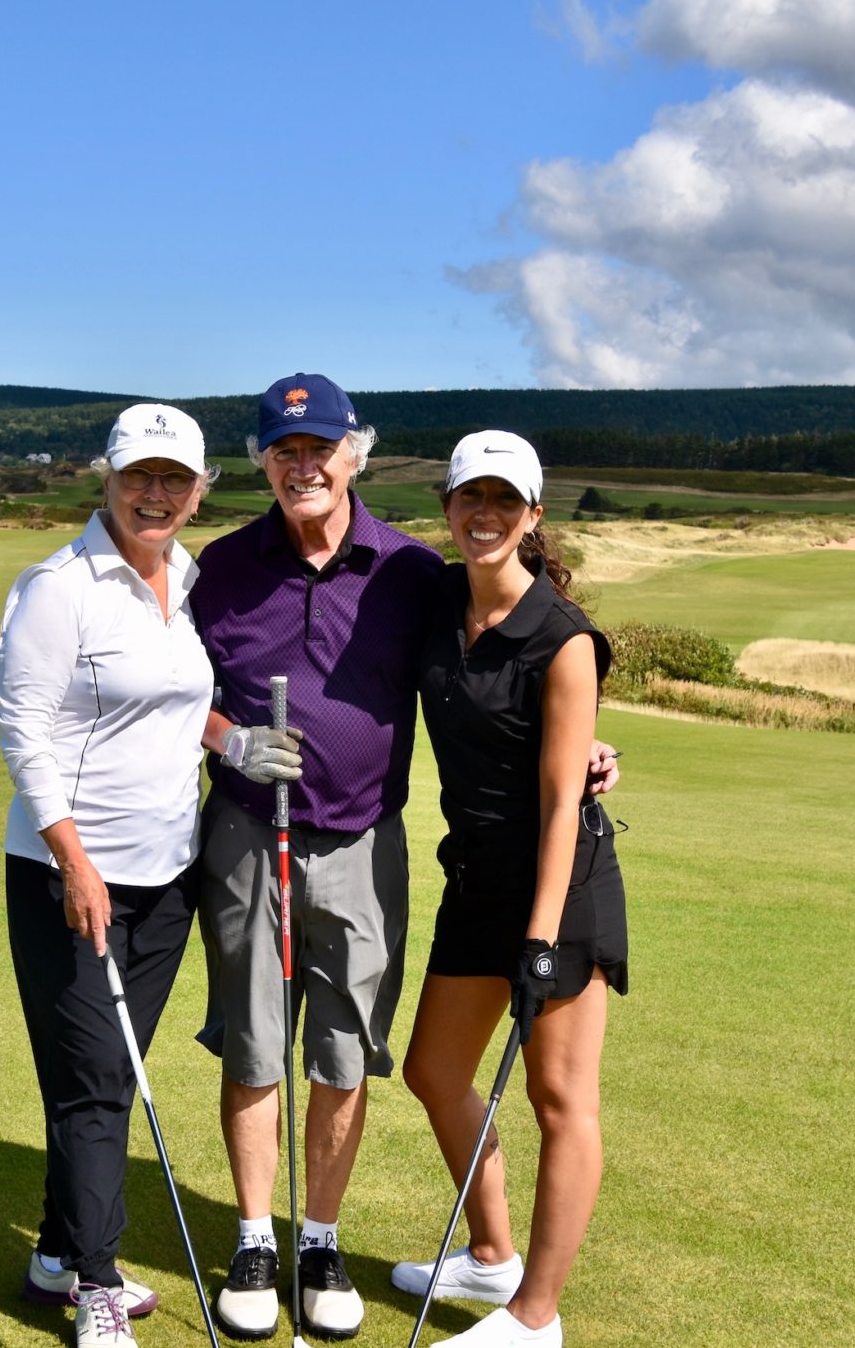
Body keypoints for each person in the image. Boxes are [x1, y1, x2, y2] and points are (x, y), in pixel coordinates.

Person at [189, 376, 618, 1342]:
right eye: (283, 450)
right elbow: (179, 690)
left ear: (356, 455)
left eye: (321, 449)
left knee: (346, 1054)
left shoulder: (408, 573)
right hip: (254, 837)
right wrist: (227, 740)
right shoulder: (218, 568)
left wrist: (587, 747)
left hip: (367, 844)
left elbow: (537, 667)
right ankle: (259, 1239)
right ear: (263, 459)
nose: (303, 466)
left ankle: (321, 1242)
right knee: (261, 1044)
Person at [0, 402, 265, 1348]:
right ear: (104, 478)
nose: (156, 494)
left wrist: (238, 743)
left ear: (198, 493)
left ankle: (55, 1255)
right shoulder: (57, 587)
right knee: (96, 1081)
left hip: (169, 874)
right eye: (139, 476)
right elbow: (24, 735)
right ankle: (99, 1282)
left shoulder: (184, 580)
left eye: (175, 480)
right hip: (71, 877)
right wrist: (74, 859)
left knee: (106, 1074)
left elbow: (177, 704)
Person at [390, 431, 628, 1348]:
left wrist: (538, 941)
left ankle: (535, 1317)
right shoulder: (441, 596)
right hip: (475, 877)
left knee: (560, 1098)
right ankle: (491, 1255)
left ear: (534, 516)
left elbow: (565, 799)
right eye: (468, 497)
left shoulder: (562, 639)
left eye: (505, 500)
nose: (484, 514)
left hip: (559, 888)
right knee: (436, 1073)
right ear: (448, 507)